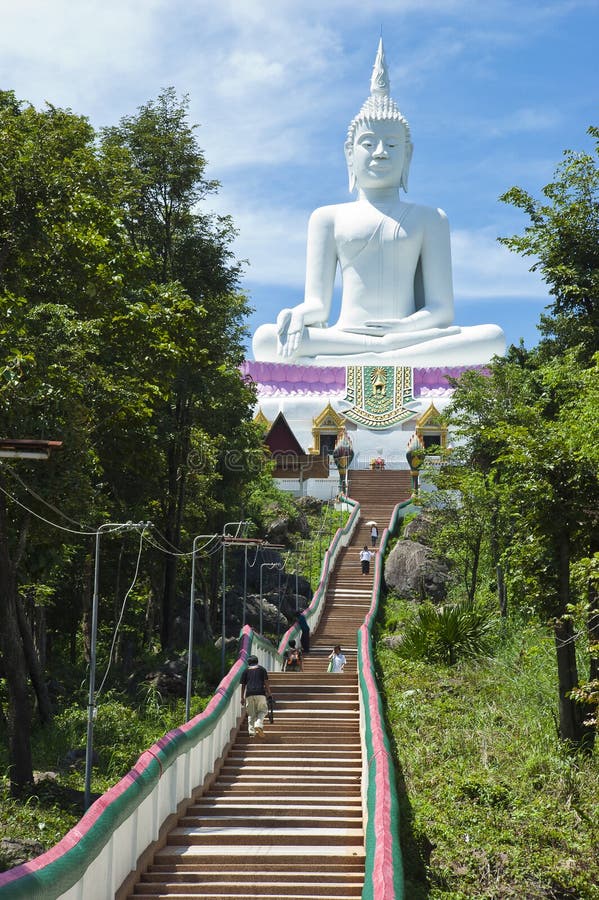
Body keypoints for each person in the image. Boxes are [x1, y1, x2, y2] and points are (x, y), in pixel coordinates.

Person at [252, 39, 505, 367]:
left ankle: (376, 355)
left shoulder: (431, 219)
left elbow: (441, 310)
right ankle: (380, 355)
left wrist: (401, 329)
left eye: (392, 144)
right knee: (266, 339)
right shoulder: (327, 218)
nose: (380, 152)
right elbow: (317, 304)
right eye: (368, 143)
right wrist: (298, 313)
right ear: (349, 153)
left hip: (407, 336)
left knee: (493, 338)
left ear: (408, 155)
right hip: (347, 335)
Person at [240, 654, 271, 738]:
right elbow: (266, 682)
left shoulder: (245, 671)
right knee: (263, 710)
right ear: (257, 661)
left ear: (248, 662)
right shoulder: (262, 669)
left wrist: (242, 697)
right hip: (260, 693)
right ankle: (258, 724)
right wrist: (269, 693)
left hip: (249, 694)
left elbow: (243, 685)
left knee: (251, 713)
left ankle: (251, 732)